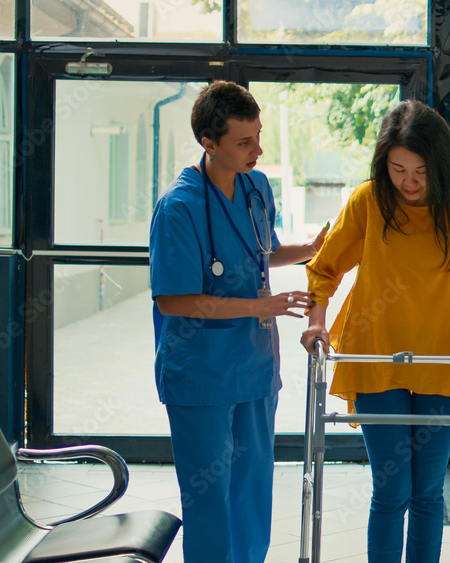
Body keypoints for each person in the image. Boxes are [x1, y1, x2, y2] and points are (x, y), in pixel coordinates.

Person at [301, 100, 450, 563]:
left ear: (439, 164)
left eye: (420, 170)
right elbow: (325, 267)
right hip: (378, 357)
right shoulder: (369, 200)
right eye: (398, 169)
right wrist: (316, 321)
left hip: (447, 361)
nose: (409, 182)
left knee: (426, 489)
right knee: (391, 488)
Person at [149, 80, 326, 563]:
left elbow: (262, 250)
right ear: (209, 143)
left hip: (252, 369)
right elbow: (174, 301)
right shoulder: (179, 207)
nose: (258, 150)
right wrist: (258, 307)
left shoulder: (255, 186)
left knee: (252, 491)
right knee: (210, 497)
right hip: (201, 374)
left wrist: (307, 250)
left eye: (259, 135)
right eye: (244, 142)